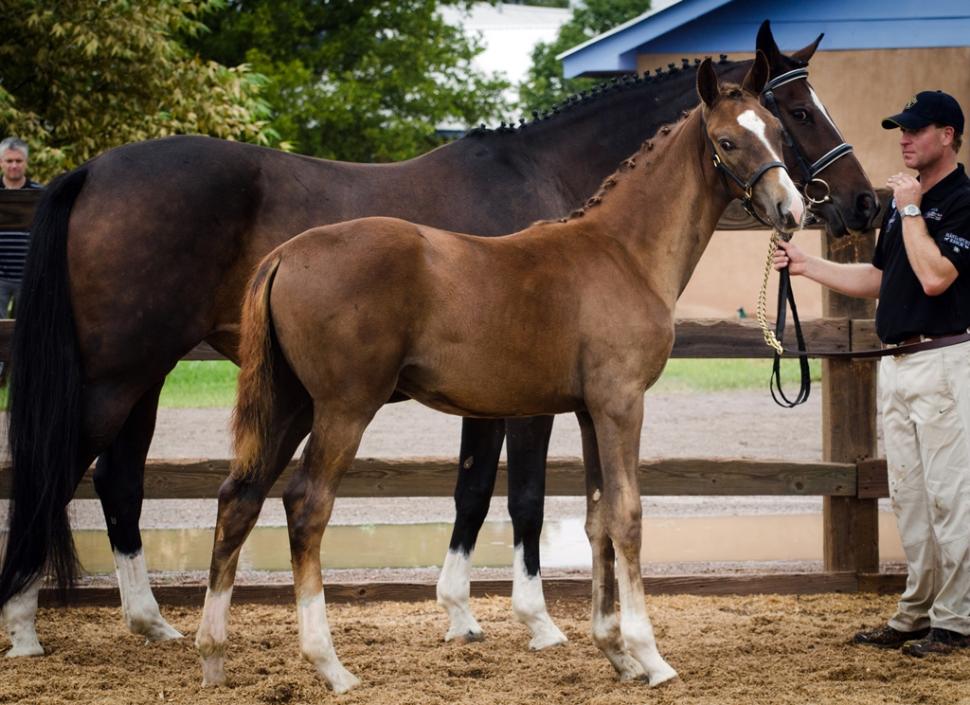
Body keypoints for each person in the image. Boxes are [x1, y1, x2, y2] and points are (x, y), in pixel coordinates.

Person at [775, 90, 970, 657]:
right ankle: (917, 612)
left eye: (915, 129)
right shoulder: (904, 205)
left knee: (950, 497)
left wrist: (909, 210)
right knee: (910, 498)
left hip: (946, 361)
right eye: (900, 130)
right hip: (903, 363)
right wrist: (809, 266)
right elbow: (884, 279)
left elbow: (936, 277)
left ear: (948, 135)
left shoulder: (961, 201)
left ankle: (956, 621)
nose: (904, 139)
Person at [0, 137, 43, 318]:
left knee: (27, 330)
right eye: (9, 161)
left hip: (28, 276)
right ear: (1, 163)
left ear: (26, 163)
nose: (14, 166)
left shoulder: (40, 194)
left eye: (18, 161)